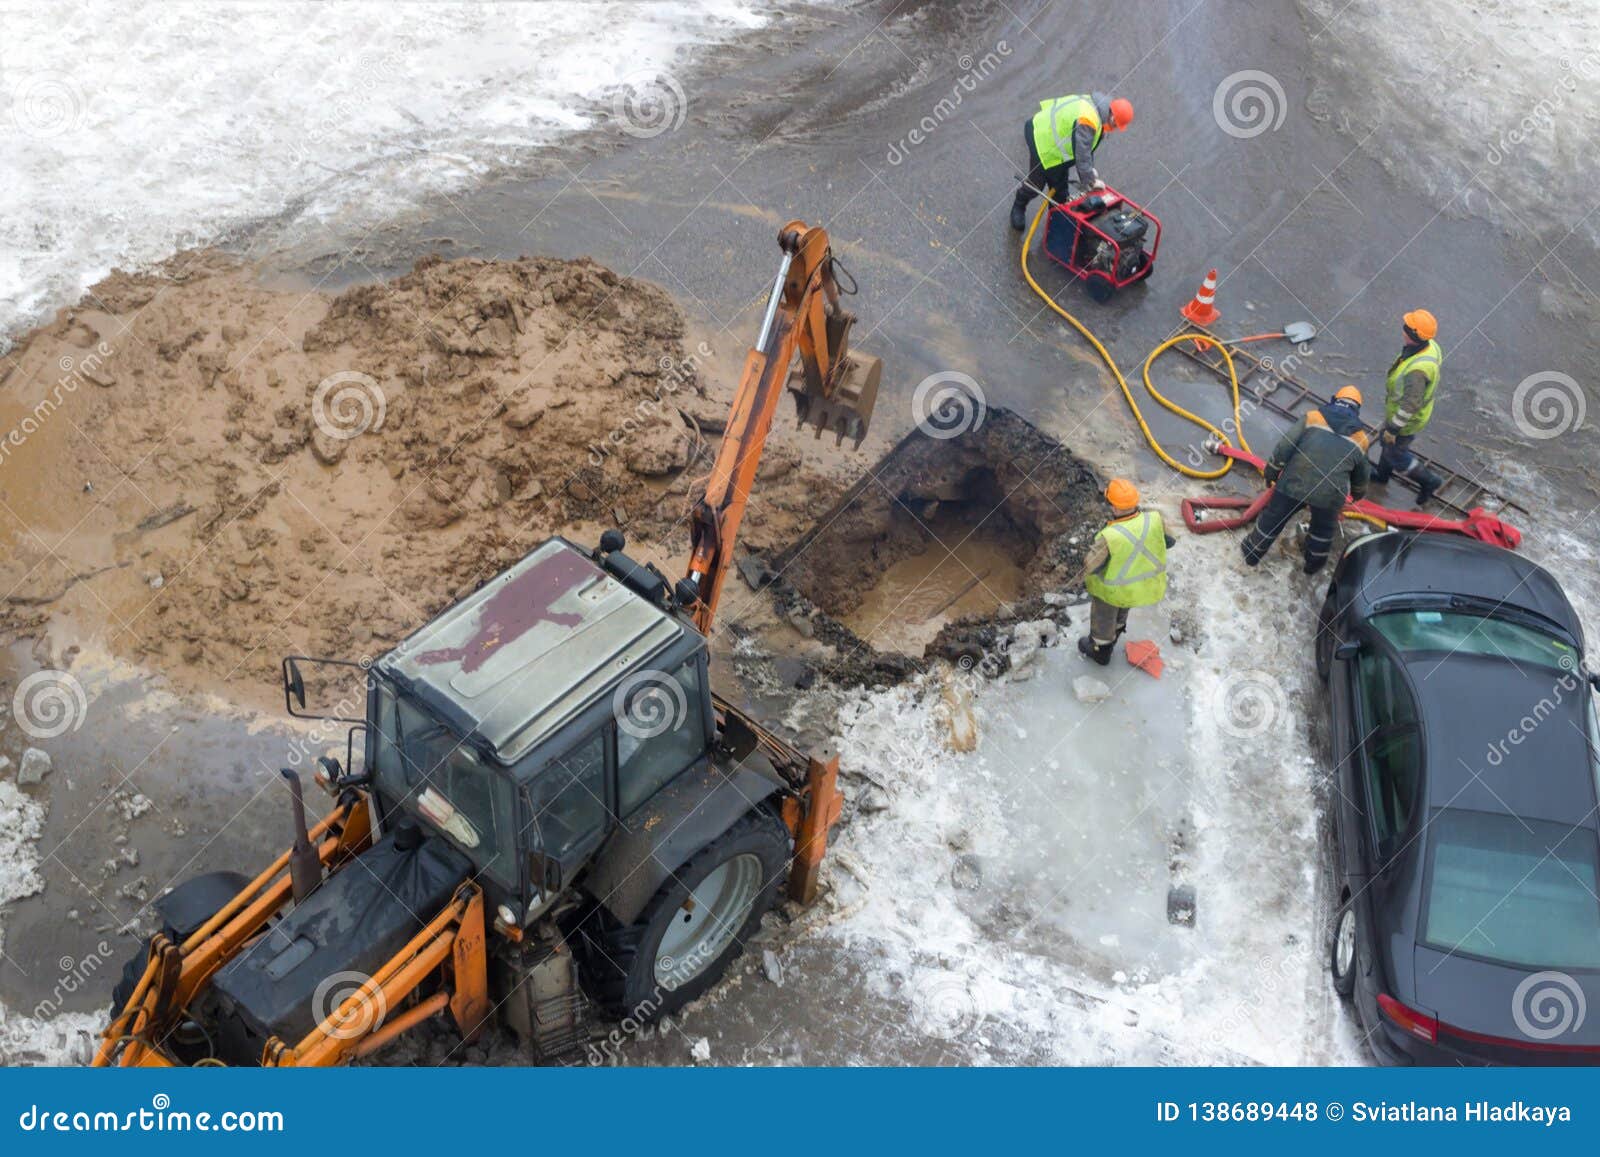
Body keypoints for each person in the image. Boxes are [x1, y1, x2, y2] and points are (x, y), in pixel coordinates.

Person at [1241, 386, 1371, 574]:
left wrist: (1272, 472)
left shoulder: (1312, 417)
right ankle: (1312, 567)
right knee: (1323, 531)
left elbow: (1285, 446)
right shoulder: (1361, 438)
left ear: (1334, 400)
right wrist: (1357, 495)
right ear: (1356, 410)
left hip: (1295, 481)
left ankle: (1251, 554)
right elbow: (1362, 476)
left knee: (1273, 518)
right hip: (1330, 494)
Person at [1077, 478, 1172, 666]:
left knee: (1103, 620)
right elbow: (1169, 542)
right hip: (1136, 587)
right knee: (1122, 613)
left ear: (1114, 507)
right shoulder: (1154, 519)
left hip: (1110, 591)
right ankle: (1116, 634)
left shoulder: (1110, 536)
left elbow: (1091, 565)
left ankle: (1100, 651)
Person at [1010, 92, 1134, 231]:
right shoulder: (1089, 120)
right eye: (1116, 125)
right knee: (1036, 184)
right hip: (1042, 140)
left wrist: (1090, 170)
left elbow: (1086, 148)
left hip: (1055, 147)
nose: (1115, 128)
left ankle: (1056, 222)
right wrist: (1090, 181)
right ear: (1112, 117)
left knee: (1060, 190)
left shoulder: (1099, 110)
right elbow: (1082, 153)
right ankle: (1019, 205)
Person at [1372, 308, 1443, 506]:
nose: (1402, 331)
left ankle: (1429, 481)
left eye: (1406, 329)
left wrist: (1394, 428)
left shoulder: (1417, 371)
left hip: (1405, 420)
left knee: (1395, 453)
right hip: (1403, 414)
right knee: (1387, 444)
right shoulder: (1431, 346)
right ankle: (1381, 474)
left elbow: (1411, 404)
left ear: (1414, 336)